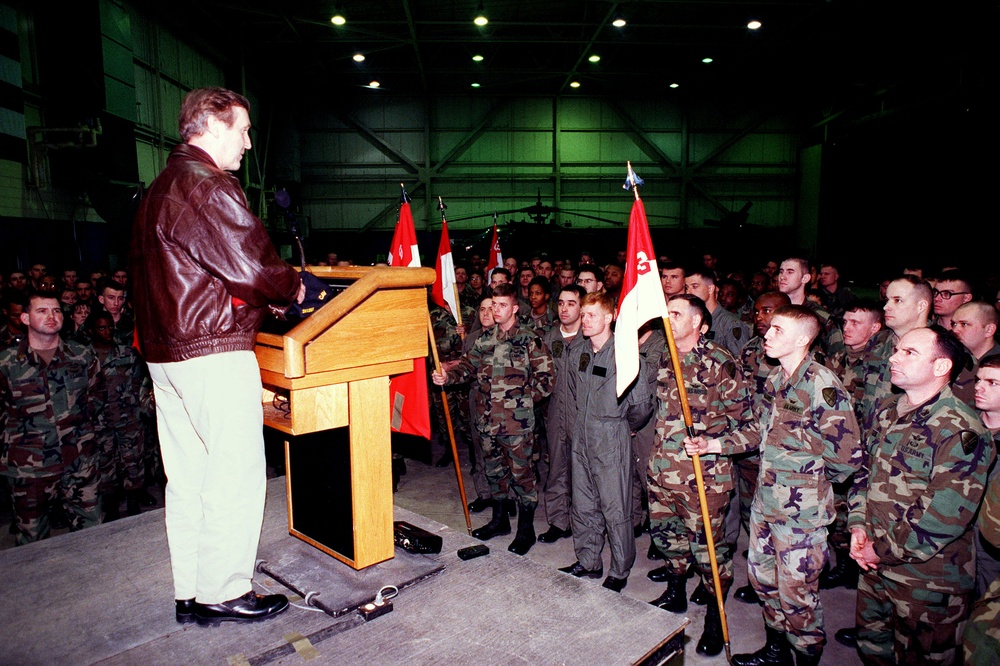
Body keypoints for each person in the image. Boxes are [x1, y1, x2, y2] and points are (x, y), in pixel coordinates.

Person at [131, 86, 303, 625]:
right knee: (234, 473)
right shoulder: (206, 185)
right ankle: (226, 589)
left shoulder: (158, 188)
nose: (249, 143)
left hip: (166, 353)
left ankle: (193, 589)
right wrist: (297, 287)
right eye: (243, 129)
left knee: (188, 479)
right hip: (210, 349)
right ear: (208, 124)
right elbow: (254, 268)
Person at [687, 304, 862, 666]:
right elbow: (758, 433)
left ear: (802, 339)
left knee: (797, 593)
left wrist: (804, 477)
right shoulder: (777, 379)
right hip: (766, 505)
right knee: (764, 580)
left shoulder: (822, 386)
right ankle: (776, 649)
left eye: (777, 330)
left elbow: (846, 461)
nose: (766, 334)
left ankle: (805, 655)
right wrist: (713, 445)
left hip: (801, 516)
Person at [848, 326, 992, 665]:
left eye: (909, 353)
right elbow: (863, 472)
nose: (894, 357)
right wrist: (857, 525)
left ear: (941, 367)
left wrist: (878, 549)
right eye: (897, 350)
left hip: (927, 579)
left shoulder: (960, 428)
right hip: (873, 565)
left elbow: (943, 514)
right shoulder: (887, 409)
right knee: (873, 649)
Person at [646, 295, 751, 656]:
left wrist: (713, 444)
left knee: (709, 554)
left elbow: (752, 428)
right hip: (664, 472)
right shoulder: (665, 356)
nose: (668, 319)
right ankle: (676, 592)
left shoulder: (721, 363)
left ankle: (713, 617)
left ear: (699, 323)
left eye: (676, 314)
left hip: (703, 479)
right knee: (669, 540)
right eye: (667, 313)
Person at [432, 283, 554, 555]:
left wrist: (522, 402)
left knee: (523, 477)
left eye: (501, 305)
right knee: (494, 473)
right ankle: (499, 522)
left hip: (517, 425)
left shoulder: (529, 339)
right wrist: (447, 376)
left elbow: (546, 380)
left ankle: (526, 530)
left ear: (513, 308)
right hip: (488, 422)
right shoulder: (485, 340)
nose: (495, 310)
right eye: (492, 305)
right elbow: (466, 367)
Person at [558, 292, 653, 593]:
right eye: (583, 314)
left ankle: (620, 568)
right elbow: (573, 392)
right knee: (583, 504)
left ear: (610, 317)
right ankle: (588, 561)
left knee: (616, 507)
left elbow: (641, 406)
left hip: (611, 438)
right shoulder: (579, 352)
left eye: (591, 315)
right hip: (582, 438)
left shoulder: (625, 355)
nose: (584, 320)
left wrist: (622, 428)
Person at [0, 293, 106, 544]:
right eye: (42, 311)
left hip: (80, 461)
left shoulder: (81, 355)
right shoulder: (6, 362)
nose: (51, 316)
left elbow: (98, 396)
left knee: (94, 533)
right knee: (32, 540)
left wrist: (80, 430)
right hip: (30, 467)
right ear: (25, 317)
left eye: (57, 311)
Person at [88, 312, 154, 520]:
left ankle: (133, 506)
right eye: (101, 328)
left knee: (133, 462)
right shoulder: (83, 356)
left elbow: (140, 381)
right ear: (91, 330)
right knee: (105, 465)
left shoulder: (126, 353)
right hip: (99, 422)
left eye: (109, 327)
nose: (107, 331)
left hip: (128, 418)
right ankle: (111, 508)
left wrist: (142, 408)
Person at [537, 284, 587, 544]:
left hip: (583, 415)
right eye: (561, 303)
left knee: (584, 474)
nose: (565, 309)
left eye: (571, 303)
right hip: (556, 412)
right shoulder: (549, 338)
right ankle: (558, 521)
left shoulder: (590, 338)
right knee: (556, 469)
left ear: (582, 307)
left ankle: (585, 523)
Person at [949, 301, 1000, 406]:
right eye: (954, 324)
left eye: (964, 324)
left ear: (989, 330)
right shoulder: (949, 358)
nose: (955, 330)